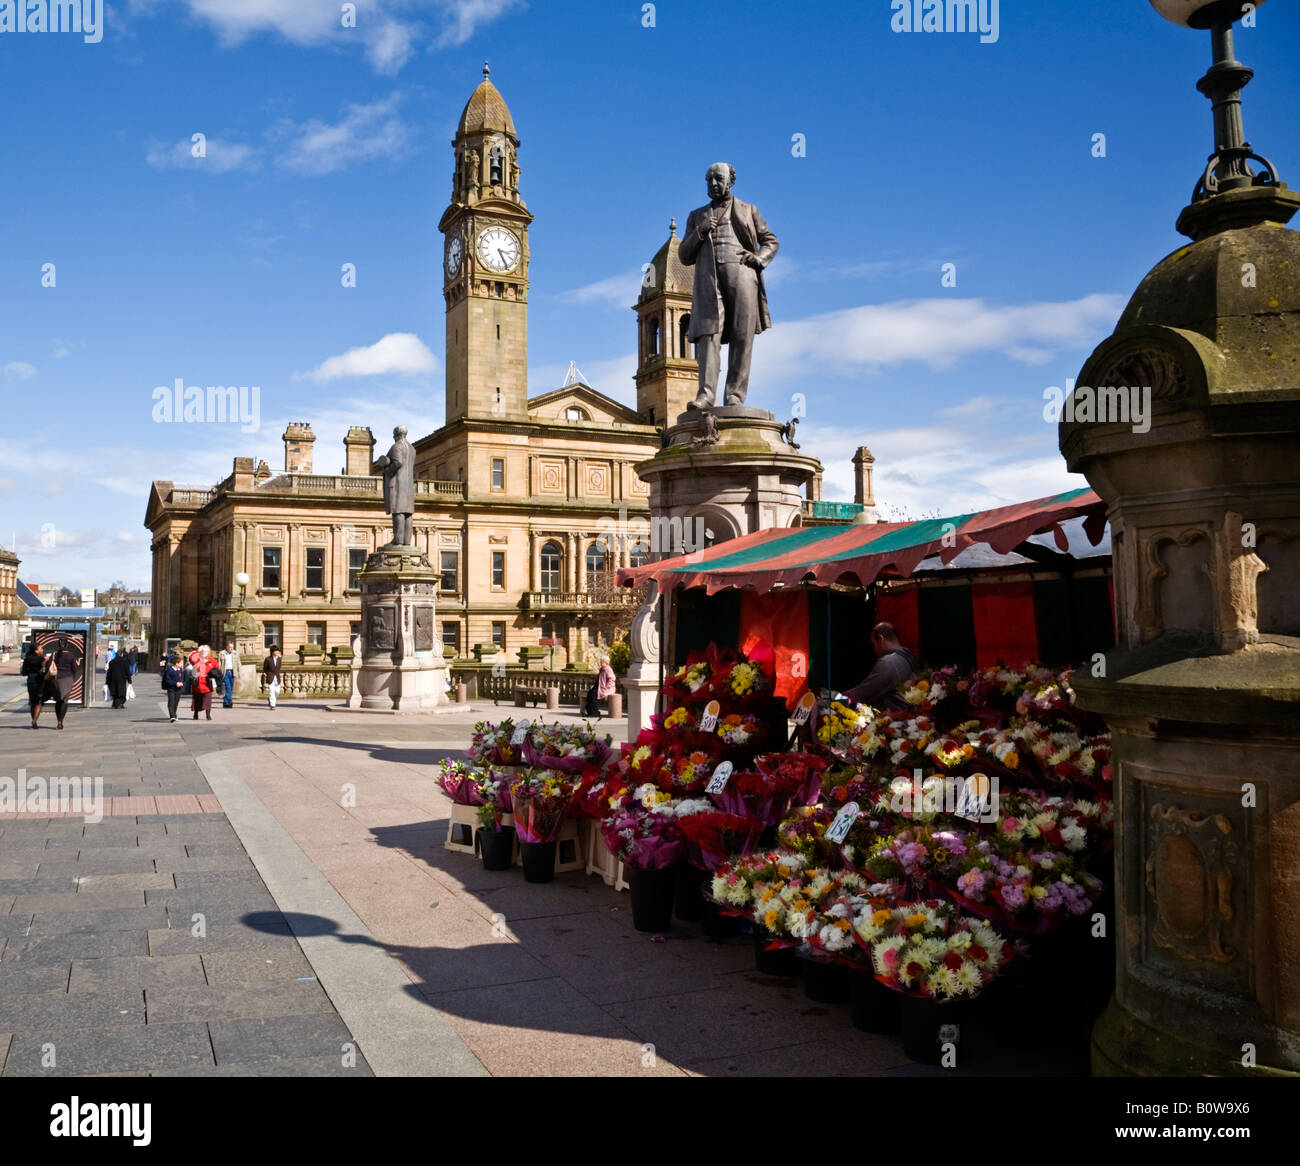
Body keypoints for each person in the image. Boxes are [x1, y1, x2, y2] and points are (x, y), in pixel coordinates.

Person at [677, 162, 779, 409]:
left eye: (718, 179)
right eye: (709, 179)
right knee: (708, 335)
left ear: (730, 181)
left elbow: (771, 241)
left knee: (742, 337)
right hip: (709, 282)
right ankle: (706, 396)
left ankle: (734, 396)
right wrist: (700, 232)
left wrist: (759, 258)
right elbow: (684, 255)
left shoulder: (748, 210)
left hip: (743, 278)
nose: (713, 183)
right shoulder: (696, 216)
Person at [841, 622, 921, 712]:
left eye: (874, 645)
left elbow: (862, 693)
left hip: (893, 719)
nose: (875, 650)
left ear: (881, 639)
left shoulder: (889, 662)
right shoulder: (907, 656)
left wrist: (837, 697)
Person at [20, 641, 54, 729]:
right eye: (41, 648)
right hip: (40, 681)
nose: (42, 650)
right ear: (36, 650)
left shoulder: (27, 659)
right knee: (39, 701)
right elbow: (45, 671)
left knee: (32, 701)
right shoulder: (41, 660)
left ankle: (33, 719)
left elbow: (24, 672)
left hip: (30, 681)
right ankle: (34, 720)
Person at [51, 638, 82, 729]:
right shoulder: (71, 655)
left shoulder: (54, 654)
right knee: (64, 701)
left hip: (55, 679)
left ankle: (58, 719)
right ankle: (60, 720)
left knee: (58, 701)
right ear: (67, 645)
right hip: (67, 679)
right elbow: (75, 669)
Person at [189, 645, 220, 720]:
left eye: (206, 651)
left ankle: (208, 715)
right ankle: (195, 713)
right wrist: (197, 651)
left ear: (209, 652)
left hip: (207, 683)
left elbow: (217, 669)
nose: (204, 653)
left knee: (208, 700)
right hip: (198, 683)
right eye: (202, 651)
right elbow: (191, 658)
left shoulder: (212, 661)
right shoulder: (197, 659)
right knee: (197, 700)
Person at [161, 652, 185, 723]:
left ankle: (174, 714)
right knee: (171, 702)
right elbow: (167, 680)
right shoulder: (169, 670)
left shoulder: (180, 670)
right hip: (171, 688)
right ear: (176, 663)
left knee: (176, 702)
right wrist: (175, 683)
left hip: (178, 689)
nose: (182, 664)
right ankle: (172, 716)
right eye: (181, 663)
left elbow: (182, 679)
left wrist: (181, 683)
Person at [219, 640, 239, 709]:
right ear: (227, 647)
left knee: (231, 688)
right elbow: (219, 664)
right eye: (230, 647)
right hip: (225, 672)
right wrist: (219, 674)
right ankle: (230, 700)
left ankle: (225, 702)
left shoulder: (235, 653)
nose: (231, 649)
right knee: (228, 687)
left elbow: (238, 663)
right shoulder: (221, 653)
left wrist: (239, 672)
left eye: (232, 647)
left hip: (233, 672)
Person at [262, 644, 283, 709]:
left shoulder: (279, 659)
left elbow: (279, 667)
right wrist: (267, 674)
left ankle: (270, 699)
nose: (277, 652)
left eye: (278, 651)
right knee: (271, 691)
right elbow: (265, 668)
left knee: (277, 691)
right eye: (276, 651)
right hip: (270, 677)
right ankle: (272, 705)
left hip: (277, 677)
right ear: (272, 652)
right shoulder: (268, 659)